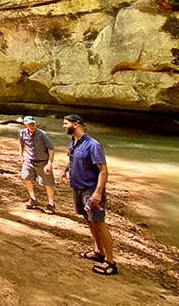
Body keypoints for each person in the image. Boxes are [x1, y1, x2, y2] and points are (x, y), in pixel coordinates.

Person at [59, 114, 118, 276]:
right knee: (88, 219)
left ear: (76, 124)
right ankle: (99, 252)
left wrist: (98, 193)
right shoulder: (73, 141)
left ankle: (111, 262)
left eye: (66, 123)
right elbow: (72, 159)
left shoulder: (93, 145)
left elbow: (103, 171)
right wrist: (64, 171)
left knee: (99, 223)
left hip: (90, 190)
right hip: (77, 187)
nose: (64, 126)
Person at [19, 115, 56, 214]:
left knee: (47, 183)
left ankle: (51, 204)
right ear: (25, 124)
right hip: (29, 160)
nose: (32, 126)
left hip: (43, 161)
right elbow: (21, 143)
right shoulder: (22, 133)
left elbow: (51, 149)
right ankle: (33, 199)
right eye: (30, 124)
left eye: (33, 124)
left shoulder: (43, 134)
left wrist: (50, 163)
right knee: (27, 178)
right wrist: (21, 154)